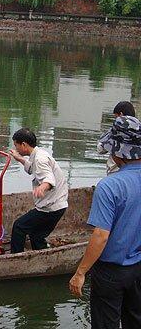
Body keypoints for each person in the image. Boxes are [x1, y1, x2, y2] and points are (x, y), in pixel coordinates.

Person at [69, 116, 141, 329]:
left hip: (110, 272)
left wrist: (80, 272)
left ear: (118, 151)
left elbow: (101, 236)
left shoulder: (110, 186)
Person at [8, 128, 68, 254]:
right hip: (58, 205)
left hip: (50, 208)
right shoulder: (38, 154)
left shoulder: (40, 159)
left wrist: (43, 186)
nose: (16, 148)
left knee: (19, 226)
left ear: (24, 144)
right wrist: (19, 158)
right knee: (36, 235)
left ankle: (16, 258)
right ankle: (42, 255)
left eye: (16, 145)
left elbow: (49, 179)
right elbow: (32, 169)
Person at [98, 101, 136, 175]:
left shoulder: (116, 130)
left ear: (121, 115)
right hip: (135, 174)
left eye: (116, 117)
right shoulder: (138, 130)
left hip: (115, 173)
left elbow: (100, 149)